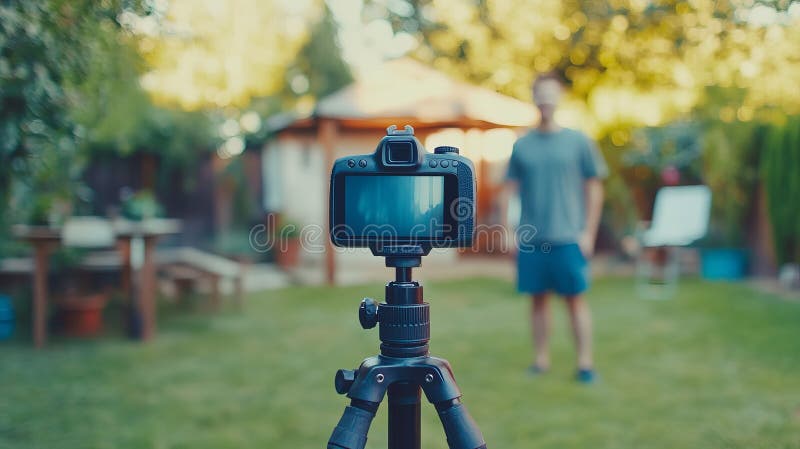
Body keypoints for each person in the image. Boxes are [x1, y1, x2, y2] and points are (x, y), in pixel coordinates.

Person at [503, 72, 607, 383]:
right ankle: (541, 360)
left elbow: (595, 187)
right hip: (532, 240)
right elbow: (508, 191)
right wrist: (507, 230)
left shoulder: (578, 141)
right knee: (537, 301)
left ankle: (585, 364)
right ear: (534, 98)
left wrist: (588, 231)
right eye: (540, 93)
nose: (546, 99)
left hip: (568, 237)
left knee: (575, 301)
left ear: (559, 97)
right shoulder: (522, 145)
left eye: (551, 93)